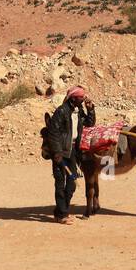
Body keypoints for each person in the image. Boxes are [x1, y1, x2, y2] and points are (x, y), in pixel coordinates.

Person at [46, 87, 96, 223]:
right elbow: (53, 133)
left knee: (72, 183)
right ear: (73, 98)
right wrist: (57, 153)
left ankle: (60, 212)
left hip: (72, 151)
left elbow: (89, 124)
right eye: (81, 97)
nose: (83, 99)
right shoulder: (61, 111)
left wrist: (90, 110)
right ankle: (62, 215)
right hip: (61, 151)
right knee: (60, 183)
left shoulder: (78, 111)